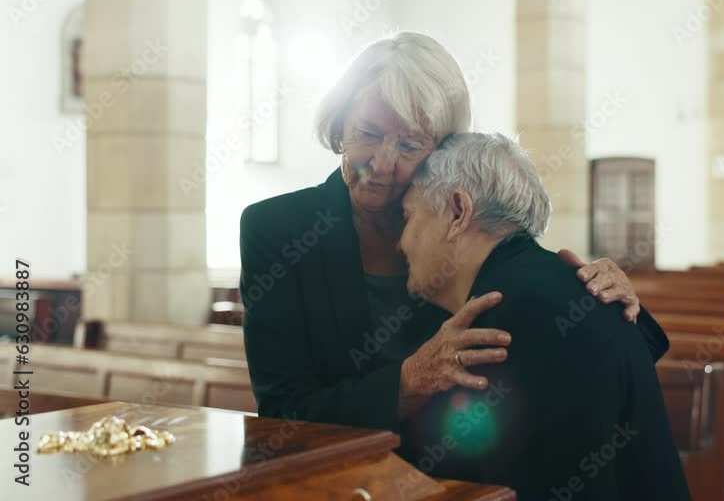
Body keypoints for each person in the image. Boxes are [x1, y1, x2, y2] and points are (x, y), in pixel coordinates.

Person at [238, 32, 669, 438]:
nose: (382, 165)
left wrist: (616, 305)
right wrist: (405, 383)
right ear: (339, 126)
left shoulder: (463, 228)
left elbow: (553, 323)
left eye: (410, 146)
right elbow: (282, 416)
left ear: (444, 151)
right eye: (367, 134)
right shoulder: (276, 230)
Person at [392, 132, 690, 501]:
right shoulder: (563, 287)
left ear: (457, 211)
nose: (399, 241)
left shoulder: (499, 317)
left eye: (408, 216)